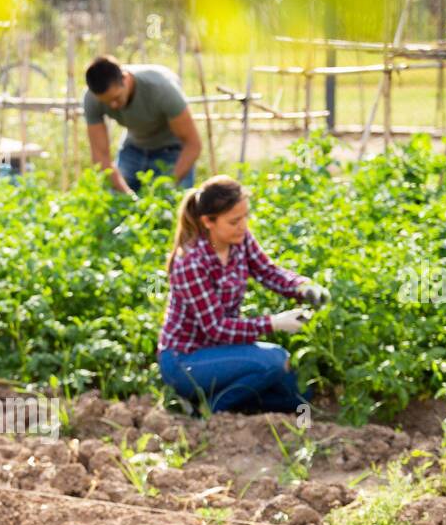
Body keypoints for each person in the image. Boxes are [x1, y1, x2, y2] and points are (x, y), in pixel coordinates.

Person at [157, 175, 328, 414]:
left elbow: (268, 272)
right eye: (234, 221)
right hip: (186, 360)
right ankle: (210, 409)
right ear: (208, 221)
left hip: (226, 351)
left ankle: (223, 403)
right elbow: (216, 328)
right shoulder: (191, 262)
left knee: (298, 394)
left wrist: (302, 286)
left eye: (245, 216)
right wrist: (274, 323)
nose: (243, 226)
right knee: (276, 360)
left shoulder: (239, 240)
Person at [84, 54, 202, 197]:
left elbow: (193, 144)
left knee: (172, 205)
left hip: (173, 151)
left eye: (116, 98)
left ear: (125, 79)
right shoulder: (92, 98)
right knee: (116, 203)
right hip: (134, 148)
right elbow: (100, 155)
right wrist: (126, 195)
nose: (113, 105)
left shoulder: (162, 89)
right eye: (106, 102)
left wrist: (167, 186)